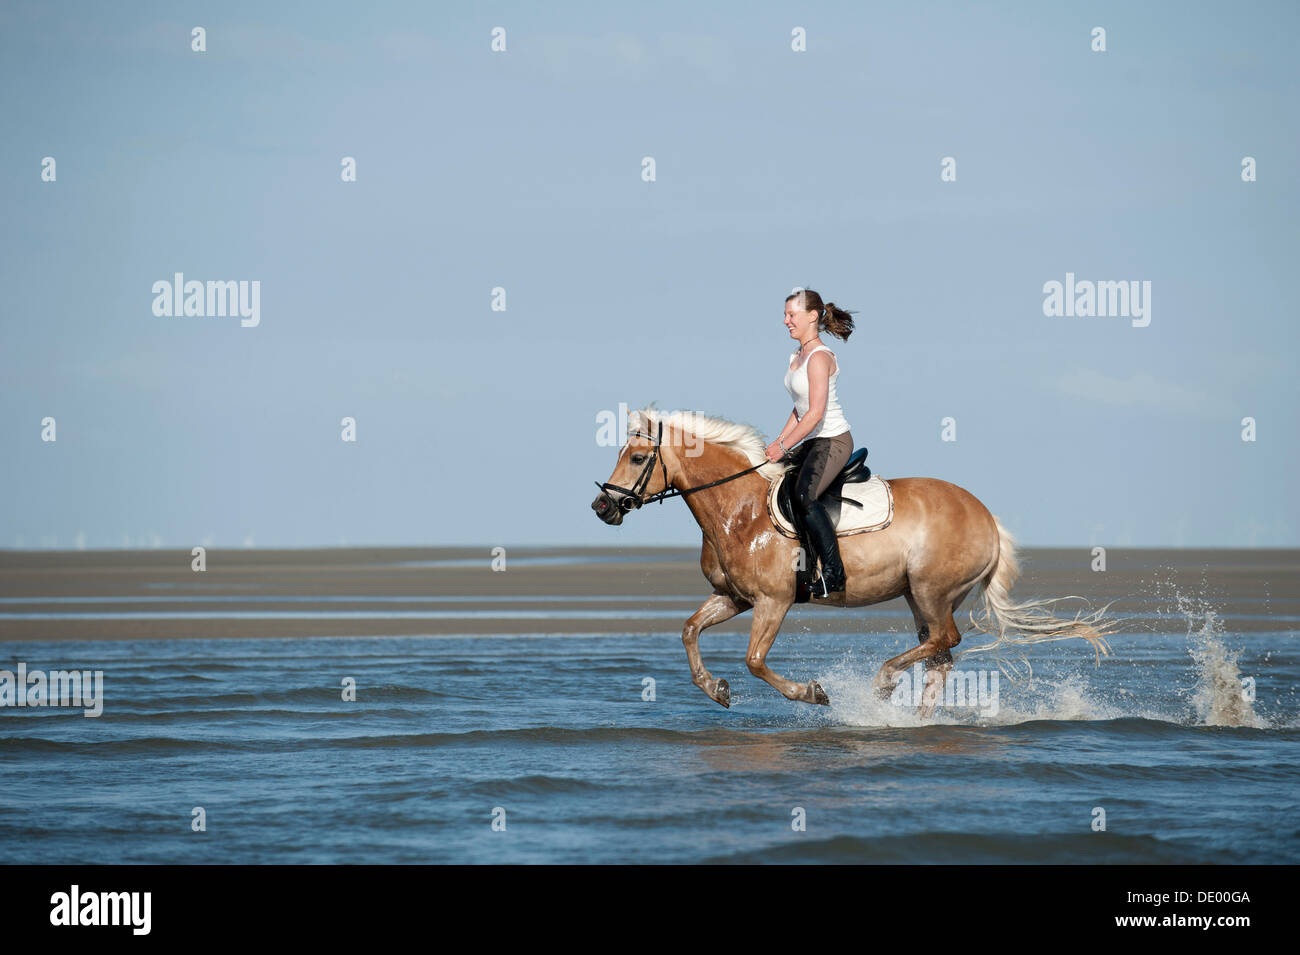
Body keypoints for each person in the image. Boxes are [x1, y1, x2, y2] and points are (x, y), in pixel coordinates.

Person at [764, 289, 856, 600]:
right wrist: (776, 443)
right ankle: (799, 569)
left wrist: (785, 445)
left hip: (832, 440)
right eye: (786, 315)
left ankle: (834, 573)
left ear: (812, 317)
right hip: (811, 439)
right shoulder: (797, 357)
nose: (785, 321)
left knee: (805, 495)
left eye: (792, 315)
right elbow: (799, 408)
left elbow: (816, 413)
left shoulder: (819, 357)